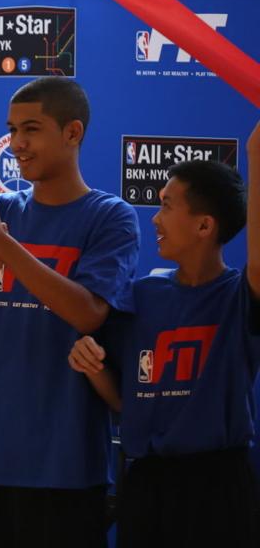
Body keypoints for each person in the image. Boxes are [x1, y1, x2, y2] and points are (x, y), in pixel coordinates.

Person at [0, 78, 140, 548]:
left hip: (66, 466)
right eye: (13, 129)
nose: (17, 143)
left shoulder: (110, 217)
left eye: (32, 129)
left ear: (72, 132)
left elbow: (87, 314)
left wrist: (3, 245)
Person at [68, 122, 259, 547]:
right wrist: (94, 367)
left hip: (219, 486)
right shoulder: (140, 297)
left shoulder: (239, 297)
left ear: (205, 226)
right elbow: (126, 401)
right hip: (146, 486)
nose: (154, 218)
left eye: (168, 206)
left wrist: (255, 152)